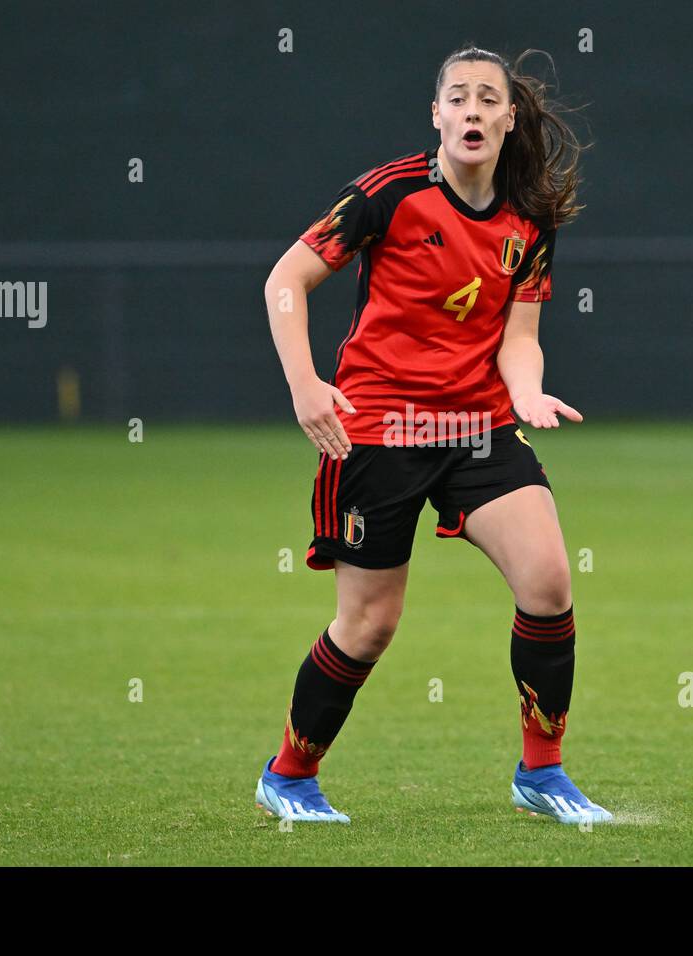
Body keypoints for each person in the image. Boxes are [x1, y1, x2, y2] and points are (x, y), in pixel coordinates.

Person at [257, 45, 610, 825]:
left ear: (510, 119)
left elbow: (520, 336)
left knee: (549, 582)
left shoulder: (530, 218)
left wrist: (526, 393)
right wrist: (307, 387)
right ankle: (289, 774)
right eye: (459, 98)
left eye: (490, 99)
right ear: (438, 116)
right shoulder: (389, 194)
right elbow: (286, 280)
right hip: (380, 428)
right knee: (370, 624)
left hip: (478, 425)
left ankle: (542, 773)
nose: (475, 110)